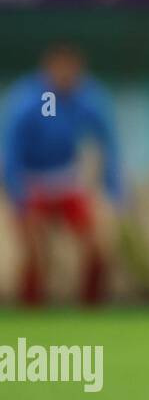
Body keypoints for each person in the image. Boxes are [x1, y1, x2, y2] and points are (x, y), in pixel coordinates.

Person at [3, 44, 120, 306]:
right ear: (48, 69)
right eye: (61, 69)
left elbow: (107, 142)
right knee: (35, 251)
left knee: (97, 244)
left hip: (68, 182)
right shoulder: (25, 100)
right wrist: (18, 195)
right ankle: (32, 309)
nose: (68, 76)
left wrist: (114, 188)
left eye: (73, 70)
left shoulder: (88, 96)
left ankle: (91, 306)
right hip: (31, 182)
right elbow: (11, 151)